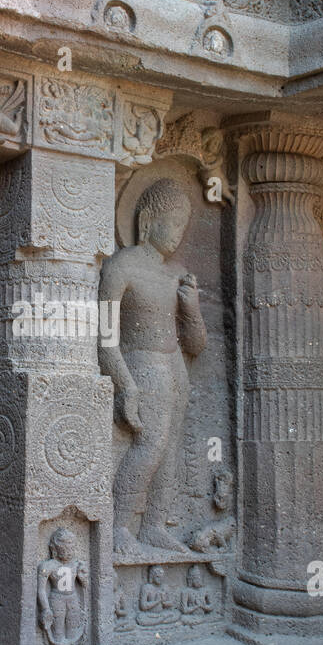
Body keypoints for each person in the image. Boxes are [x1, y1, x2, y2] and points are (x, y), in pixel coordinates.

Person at [100, 179, 207, 552]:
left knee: (171, 450)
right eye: (174, 223)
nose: (179, 234)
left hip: (175, 368)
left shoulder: (176, 274)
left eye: (184, 225)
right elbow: (106, 337)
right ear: (147, 219)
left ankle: (155, 526)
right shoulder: (121, 267)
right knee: (150, 446)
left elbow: (197, 346)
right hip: (141, 364)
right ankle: (118, 528)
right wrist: (125, 385)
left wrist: (191, 308)